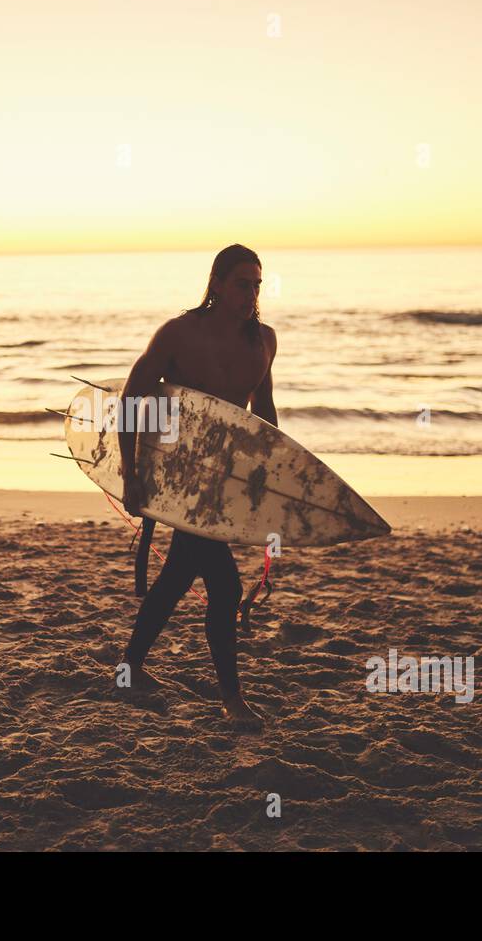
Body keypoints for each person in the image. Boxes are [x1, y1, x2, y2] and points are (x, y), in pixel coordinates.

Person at [117, 244, 277, 730]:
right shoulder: (178, 334)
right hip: (177, 476)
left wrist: (274, 479)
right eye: (241, 284)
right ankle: (231, 698)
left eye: (257, 285)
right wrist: (131, 474)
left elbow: (264, 414)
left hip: (223, 480)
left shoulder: (264, 340)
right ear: (217, 284)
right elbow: (131, 401)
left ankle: (128, 671)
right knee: (225, 586)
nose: (250, 294)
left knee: (178, 576)